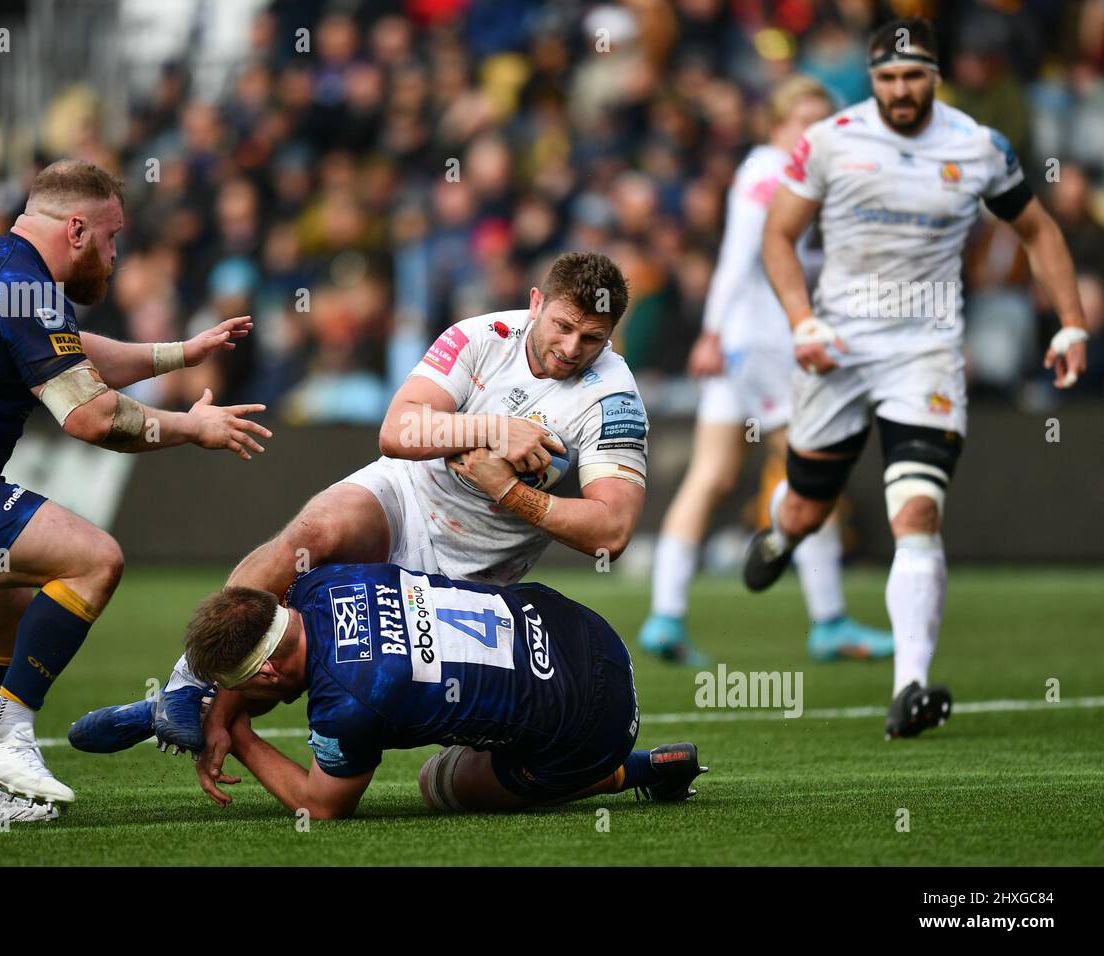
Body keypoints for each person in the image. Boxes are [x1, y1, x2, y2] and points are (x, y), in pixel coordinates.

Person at [70, 251, 652, 755]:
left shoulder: (613, 399)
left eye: (592, 338)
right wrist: (495, 431)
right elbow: (397, 431)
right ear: (535, 303)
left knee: (319, 661)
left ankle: (187, 715)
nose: (572, 348)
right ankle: (186, 683)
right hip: (404, 493)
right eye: (563, 326)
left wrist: (509, 491)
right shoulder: (479, 338)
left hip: (474, 570)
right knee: (307, 538)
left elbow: (611, 531)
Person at [0, 159, 272, 822]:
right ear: (75, 228)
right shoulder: (23, 283)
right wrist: (192, 428)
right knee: (95, 559)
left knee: (5, 619)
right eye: (112, 238)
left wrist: (178, 354)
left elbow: (68, 349)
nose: (116, 255)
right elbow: (89, 415)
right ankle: (9, 735)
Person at [744, 19, 1089, 738]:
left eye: (913, 75)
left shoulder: (977, 145)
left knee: (917, 512)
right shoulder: (832, 139)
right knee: (809, 511)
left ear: (936, 74)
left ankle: (909, 687)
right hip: (837, 348)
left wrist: (1071, 322)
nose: (901, 90)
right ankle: (780, 532)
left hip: (925, 353)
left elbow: (1040, 231)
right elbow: (777, 234)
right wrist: (802, 319)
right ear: (872, 81)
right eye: (887, 78)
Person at [638, 75, 893, 667]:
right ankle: (829, 620)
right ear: (777, 124)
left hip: (745, 346)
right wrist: (712, 330)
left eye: (821, 120)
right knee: (809, 472)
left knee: (713, 475)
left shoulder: (807, 174)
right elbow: (738, 255)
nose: (813, 131)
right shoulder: (770, 171)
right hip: (766, 347)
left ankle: (665, 613)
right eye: (803, 119)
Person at [186, 562, 708, 818]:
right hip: (589, 631)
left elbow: (321, 807)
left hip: (599, 723)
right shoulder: (324, 581)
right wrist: (222, 708)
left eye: (238, 689)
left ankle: (640, 768)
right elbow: (263, 627)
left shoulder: (347, 702)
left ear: (269, 675)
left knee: (439, 783)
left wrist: (237, 732)